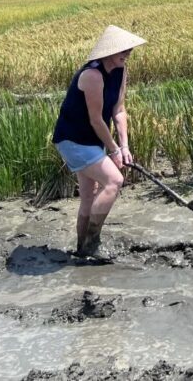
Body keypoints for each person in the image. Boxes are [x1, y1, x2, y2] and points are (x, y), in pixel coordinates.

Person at [52, 25, 146, 257]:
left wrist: (124, 146)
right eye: (122, 51)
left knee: (88, 195)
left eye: (129, 51)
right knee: (114, 181)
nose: (127, 54)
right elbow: (96, 119)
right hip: (72, 139)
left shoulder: (121, 72)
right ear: (108, 52)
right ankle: (93, 243)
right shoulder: (92, 75)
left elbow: (119, 110)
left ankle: (81, 249)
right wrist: (114, 151)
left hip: (92, 140)